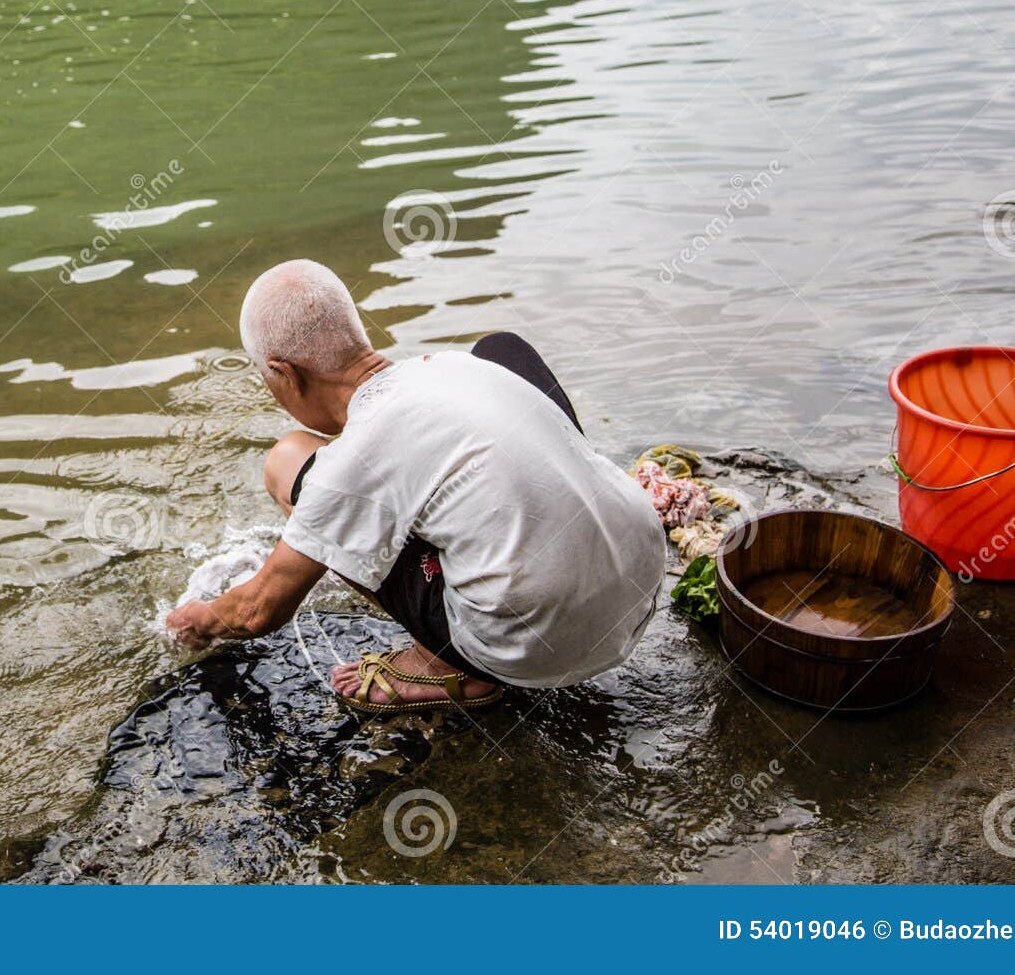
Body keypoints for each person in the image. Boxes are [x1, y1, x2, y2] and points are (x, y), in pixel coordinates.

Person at [165, 259, 664, 715]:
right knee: (501, 346)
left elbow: (257, 611)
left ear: (282, 373)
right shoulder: (458, 369)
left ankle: (445, 667)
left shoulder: (352, 461)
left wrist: (194, 622)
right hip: (643, 581)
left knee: (286, 463)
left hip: (534, 647)